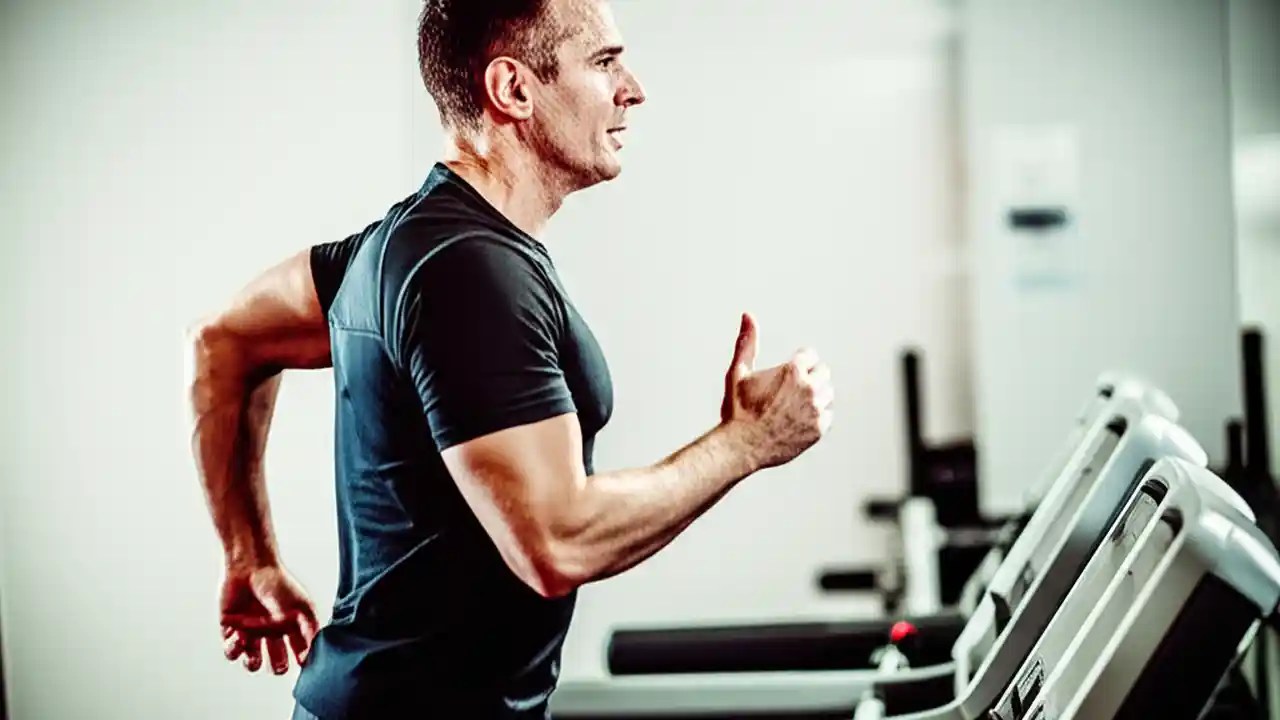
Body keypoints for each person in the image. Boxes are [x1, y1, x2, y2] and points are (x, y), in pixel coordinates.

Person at [184, 0, 836, 717]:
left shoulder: (403, 247)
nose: (633, 89)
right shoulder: (468, 270)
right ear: (514, 89)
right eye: (605, 62)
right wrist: (746, 444)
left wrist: (250, 558)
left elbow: (227, 341)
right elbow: (556, 541)